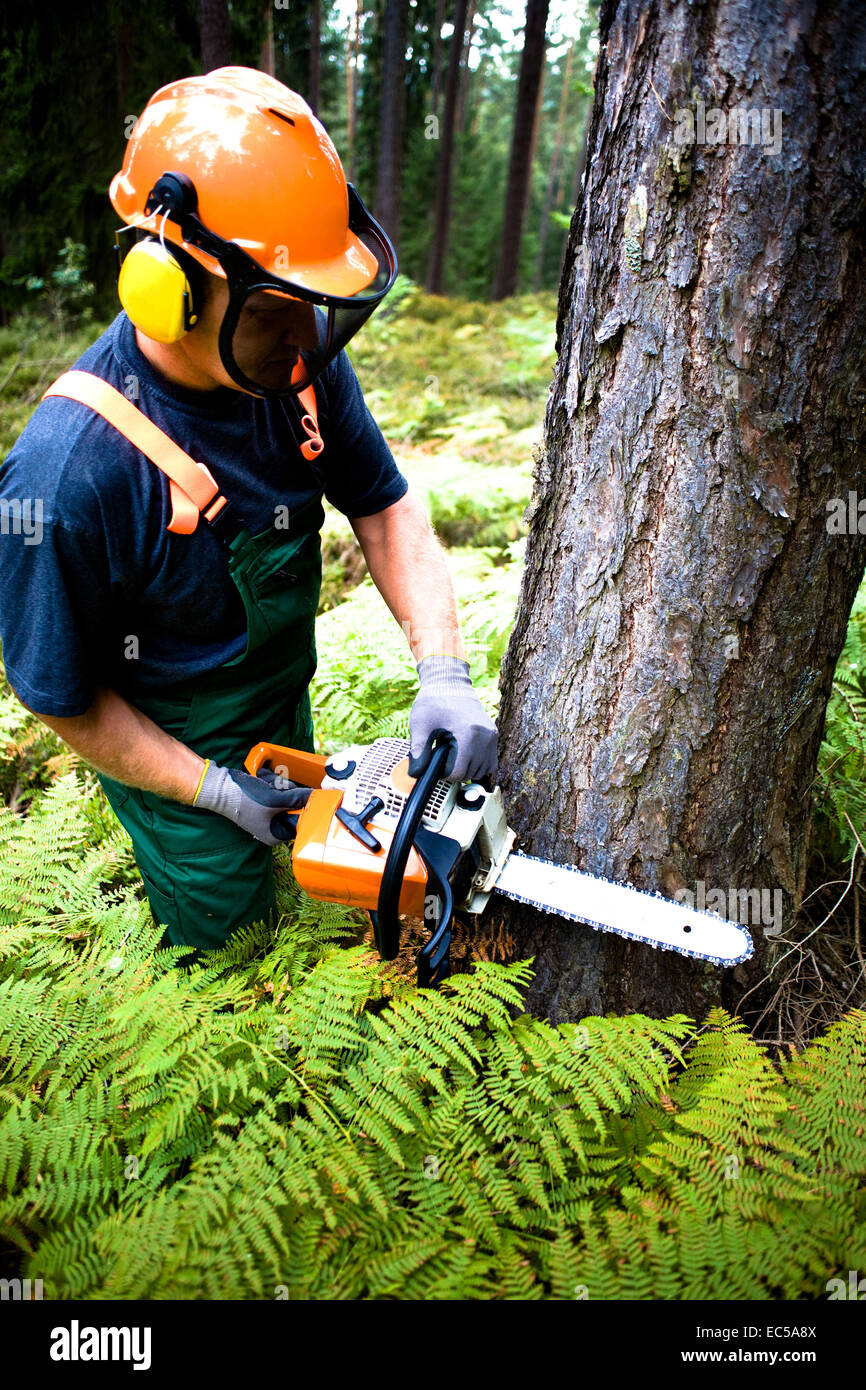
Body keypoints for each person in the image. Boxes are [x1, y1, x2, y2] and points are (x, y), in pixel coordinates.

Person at [0, 67, 497, 954]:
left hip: (277, 694)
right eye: (278, 312)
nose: (308, 340)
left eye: (315, 311)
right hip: (166, 740)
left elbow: (385, 512)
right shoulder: (67, 477)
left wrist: (443, 671)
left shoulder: (291, 366)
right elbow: (63, 700)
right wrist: (214, 793)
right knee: (228, 946)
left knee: (299, 895)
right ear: (169, 285)